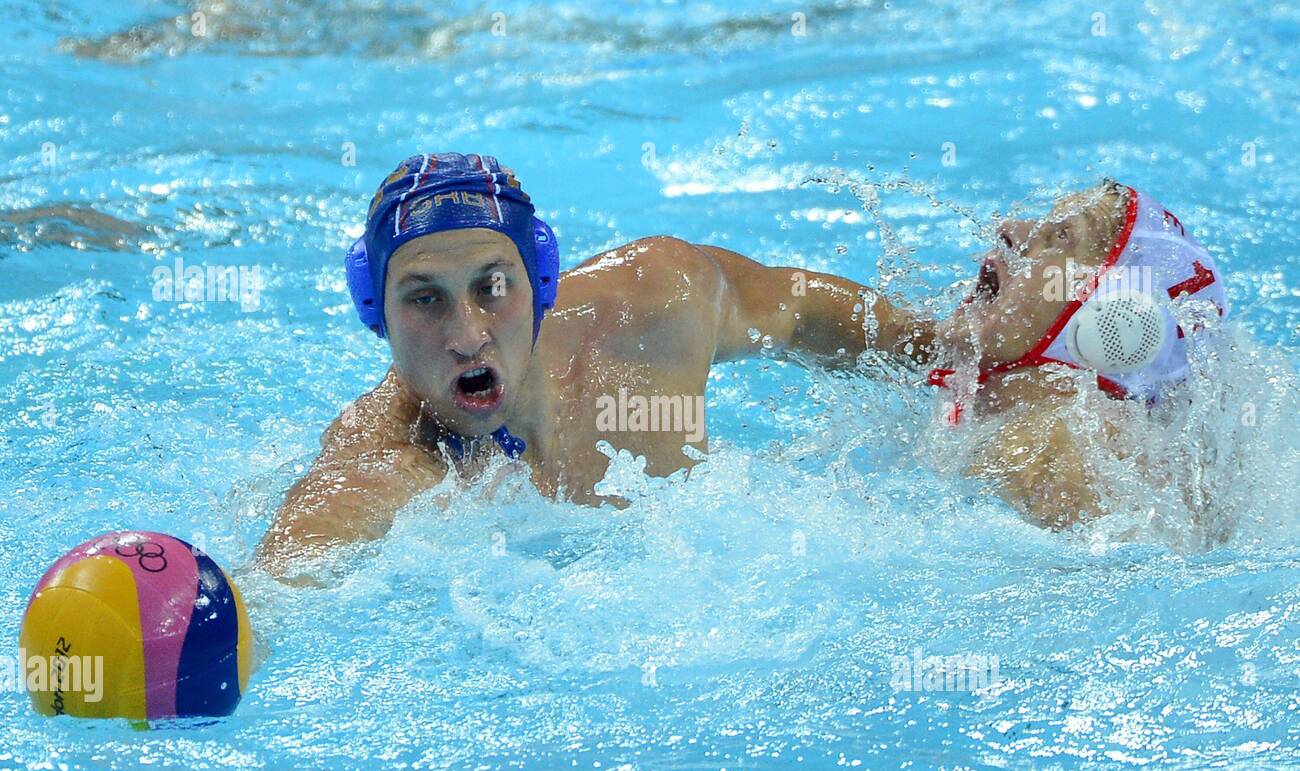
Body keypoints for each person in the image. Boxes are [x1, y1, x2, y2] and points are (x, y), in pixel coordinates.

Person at [255, 153, 934, 580]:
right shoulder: (386, 463)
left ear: (541, 283)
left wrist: (955, 360)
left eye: (493, 287)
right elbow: (280, 580)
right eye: (424, 299)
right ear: (376, 312)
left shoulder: (656, 303)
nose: (467, 335)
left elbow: (805, 312)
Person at [928, 179, 1230, 529]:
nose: (1010, 230)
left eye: (1062, 237)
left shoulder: (1050, 458)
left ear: (1113, 325)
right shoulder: (1008, 407)